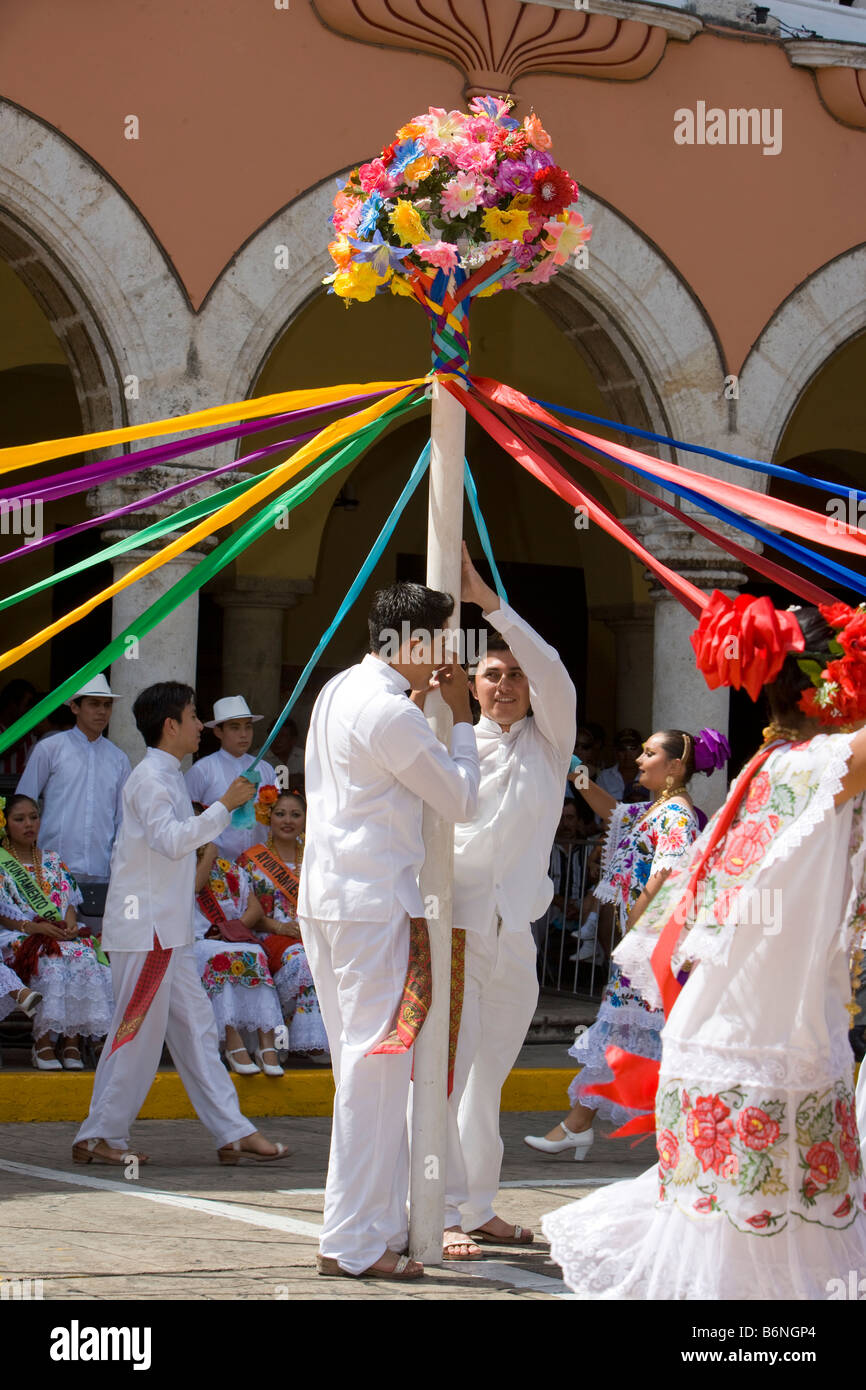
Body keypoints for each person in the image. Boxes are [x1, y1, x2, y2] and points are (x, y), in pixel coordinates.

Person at [543, 595, 866, 1299]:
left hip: (742, 1040)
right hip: (762, 1049)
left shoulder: (776, 765)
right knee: (758, 1249)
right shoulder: (823, 765)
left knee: (750, 1240)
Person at [299, 580, 480, 1281]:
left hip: (334, 898)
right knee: (375, 1074)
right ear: (410, 643)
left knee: (363, 1072)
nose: (448, 653)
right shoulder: (390, 713)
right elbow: (460, 799)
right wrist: (460, 720)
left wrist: (424, 704)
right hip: (373, 904)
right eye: (440, 639)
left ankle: (369, 1224)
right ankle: (351, 1239)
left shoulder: (342, 689)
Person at [73, 682, 288, 1167]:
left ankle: (232, 1131)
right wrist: (224, 806)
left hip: (169, 931)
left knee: (197, 1030)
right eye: (193, 716)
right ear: (171, 725)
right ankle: (99, 1133)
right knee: (136, 1035)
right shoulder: (150, 778)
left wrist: (220, 809)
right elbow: (172, 841)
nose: (199, 726)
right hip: (148, 931)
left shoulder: (167, 775)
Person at [440, 545, 576, 1260]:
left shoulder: (552, 745)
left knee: (488, 1077)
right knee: (448, 1073)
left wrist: (488, 602)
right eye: (493, 674)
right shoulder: (449, 740)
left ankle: (479, 1203)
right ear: (474, 684)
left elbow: (552, 669)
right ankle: (438, 1211)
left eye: (516, 675)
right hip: (454, 929)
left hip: (515, 932)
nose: (508, 685)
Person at [524, 730, 707, 1158]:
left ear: (675, 767)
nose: (639, 760)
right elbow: (615, 814)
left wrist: (638, 925)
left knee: (647, 1035)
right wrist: (578, 776)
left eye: (649, 753)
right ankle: (581, 1125)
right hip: (649, 949)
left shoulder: (677, 815)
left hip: (658, 948)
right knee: (624, 1032)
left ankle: (687, 1135)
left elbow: (666, 874)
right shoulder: (656, 809)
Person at [0, 794, 114, 1070]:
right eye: (19, 819)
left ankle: (72, 1039)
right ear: (5, 824)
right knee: (50, 960)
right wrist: (33, 927)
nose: (29, 824)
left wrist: (70, 925)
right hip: (17, 935)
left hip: (55, 932)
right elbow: (3, 913)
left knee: (83, 955)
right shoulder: (2, 863)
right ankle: (43, 1042)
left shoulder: (52, 860)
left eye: (34, 817)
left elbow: (68, 901)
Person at [17, 674, 131, 928]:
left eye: (107, 705)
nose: (102, 711)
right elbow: (24, 803)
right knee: (51, 944)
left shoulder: (119, 759)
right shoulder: (50, 748)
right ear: (75, 707)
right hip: (51, 868)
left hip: (101, 871)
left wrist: (119, 867)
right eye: (94, 704)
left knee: (94, 947)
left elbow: (124, 820)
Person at [239, 789, 329, 1061]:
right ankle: (295, 1039)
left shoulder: (318, 859)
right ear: (268, 817)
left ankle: (311, 1040)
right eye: (280, 814)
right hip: (269, 937)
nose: (287, 820)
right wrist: (280, 928)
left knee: (323, 957)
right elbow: (245, 909)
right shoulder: (251, 860)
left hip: (310, 936)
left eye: (295, 814)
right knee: (304, 961)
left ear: (305, 819)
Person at [193, 831, 285, 1078]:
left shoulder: (229, 868)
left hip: (231, 938)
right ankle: (232, 1041)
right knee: (221, 959)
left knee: (254, 955)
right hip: (198, 940)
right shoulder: (178, 866)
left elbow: (253, 907)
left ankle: (266, 1044)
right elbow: (195, 887)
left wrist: (232, 930)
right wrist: (208, 856)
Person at [185, 696, 277, 862]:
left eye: (248, 727)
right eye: (235, 728)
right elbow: (187, 819)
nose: (243, 735)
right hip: (217, 867)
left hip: (261, 866)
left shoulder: (266, 769)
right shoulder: (202, 770)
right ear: (218, 732)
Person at [597, 728, 651, 803]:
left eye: (632, 748)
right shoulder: (605, 777)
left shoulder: (651, 775)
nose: (628, 754)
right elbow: (599, 808)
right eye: (622, 749)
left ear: (641, 750)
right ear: (615, 752)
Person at [0, 679, 38, 779]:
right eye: (27, 704)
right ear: (12, 704)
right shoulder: (29, 731)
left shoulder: (34, 734)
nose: (30, 710)